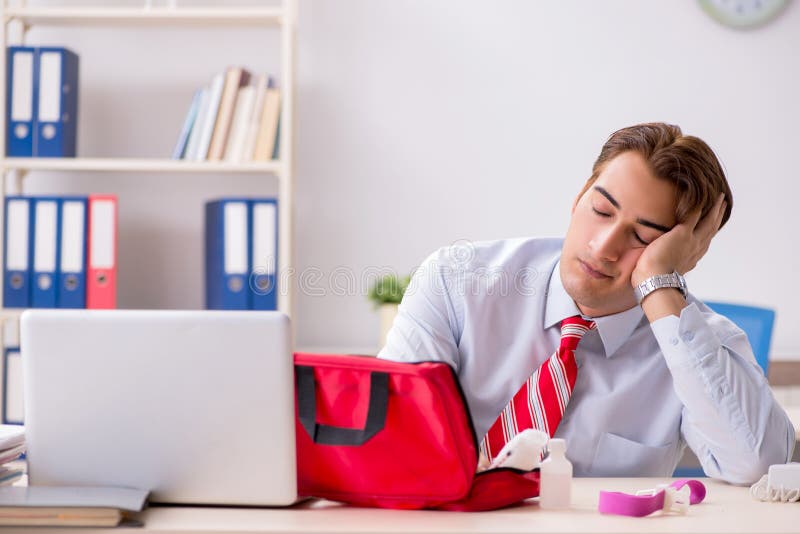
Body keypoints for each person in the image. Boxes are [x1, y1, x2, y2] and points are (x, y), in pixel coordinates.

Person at [378, 122, 795, 484]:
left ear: (682, 253)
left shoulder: (692, 340)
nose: (604, 246)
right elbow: (390, 429)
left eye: (644, 238)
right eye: (601, 210)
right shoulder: (457, 281)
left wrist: (660, 285)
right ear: (580, 196)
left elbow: (759, 466)